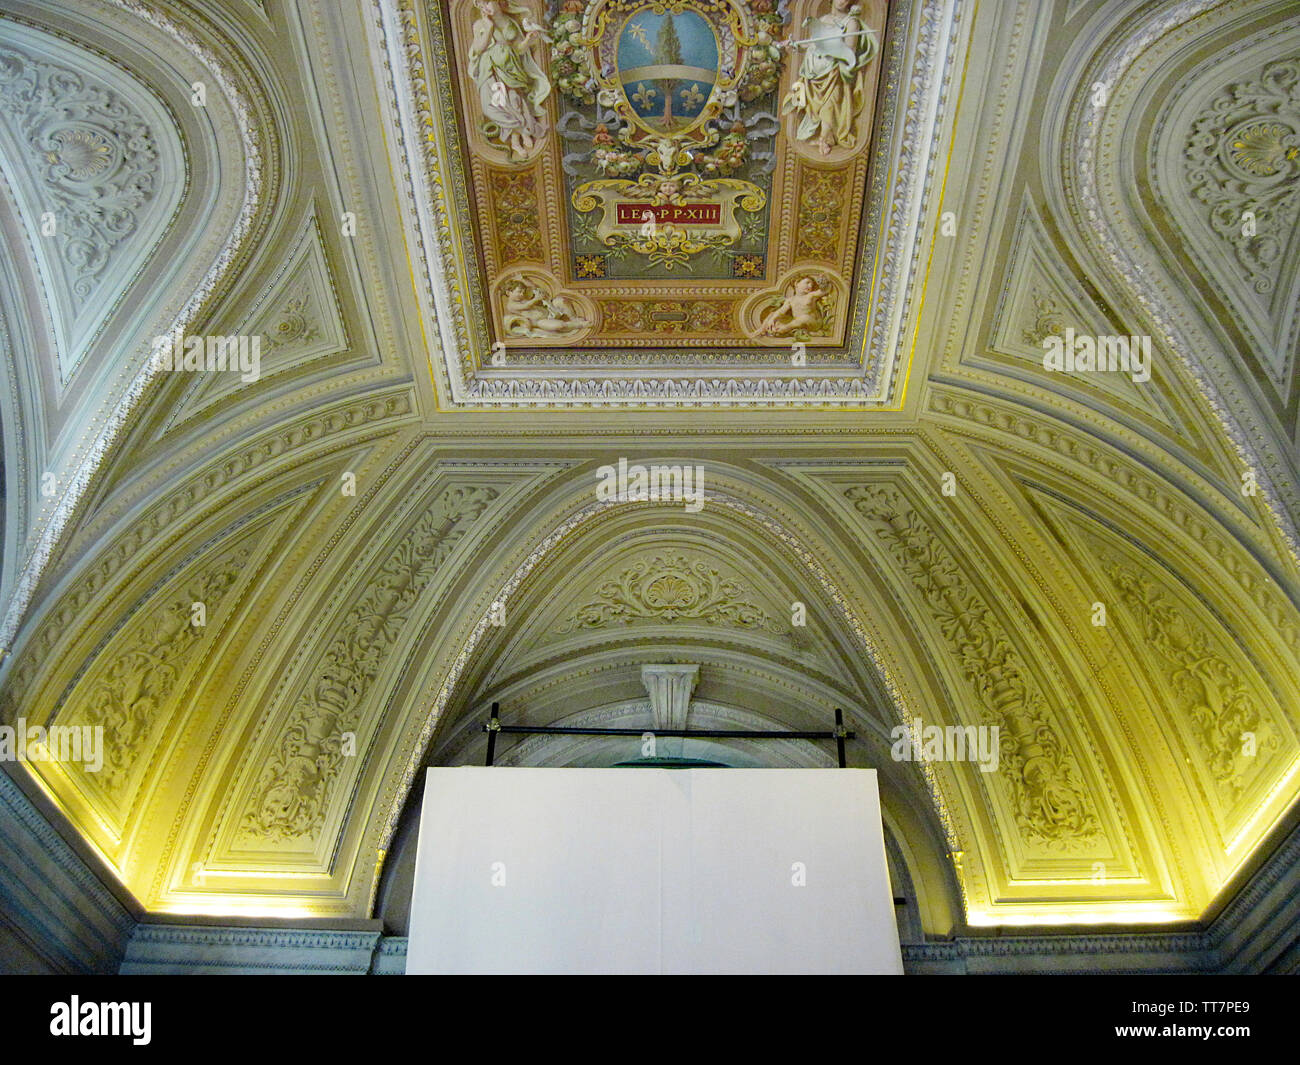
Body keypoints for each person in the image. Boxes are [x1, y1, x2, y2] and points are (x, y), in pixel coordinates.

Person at [782, 0, 878, 156]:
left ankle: (824, 138)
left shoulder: (851, 22)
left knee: (830, 103)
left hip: (833, 71)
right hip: (814, 71)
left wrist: (832, 46)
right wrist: (796, 46)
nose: (842, 1)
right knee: (814, 105)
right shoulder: (824, 19)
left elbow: (849, 51)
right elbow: (812, 44)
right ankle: (819, 134)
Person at [468, 0, 551, 159]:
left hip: (510, 69)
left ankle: (515, 141)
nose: (486, 8)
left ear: (499, 2)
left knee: (515, 102)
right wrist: (489, 27)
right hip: (491, 70)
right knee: (492, 107)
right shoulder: (481, 24)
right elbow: (478, 49)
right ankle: (524, 129)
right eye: (482, 6)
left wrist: (528, 40)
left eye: (488, 3)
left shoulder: (510, 22)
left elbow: (519, 49)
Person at [757, 276, 826, 336]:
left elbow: (824, 291)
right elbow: (781, 311)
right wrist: (772, 319)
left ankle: (784, 329)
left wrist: (823, 282)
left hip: (813, 323)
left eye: (812, 284)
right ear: (796, 283)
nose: (810, 286)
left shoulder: (811, 295)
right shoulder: (790, 300)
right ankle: (763, 330)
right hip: (798, 323)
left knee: (804, 317)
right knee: (773, 315)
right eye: (807, 283)